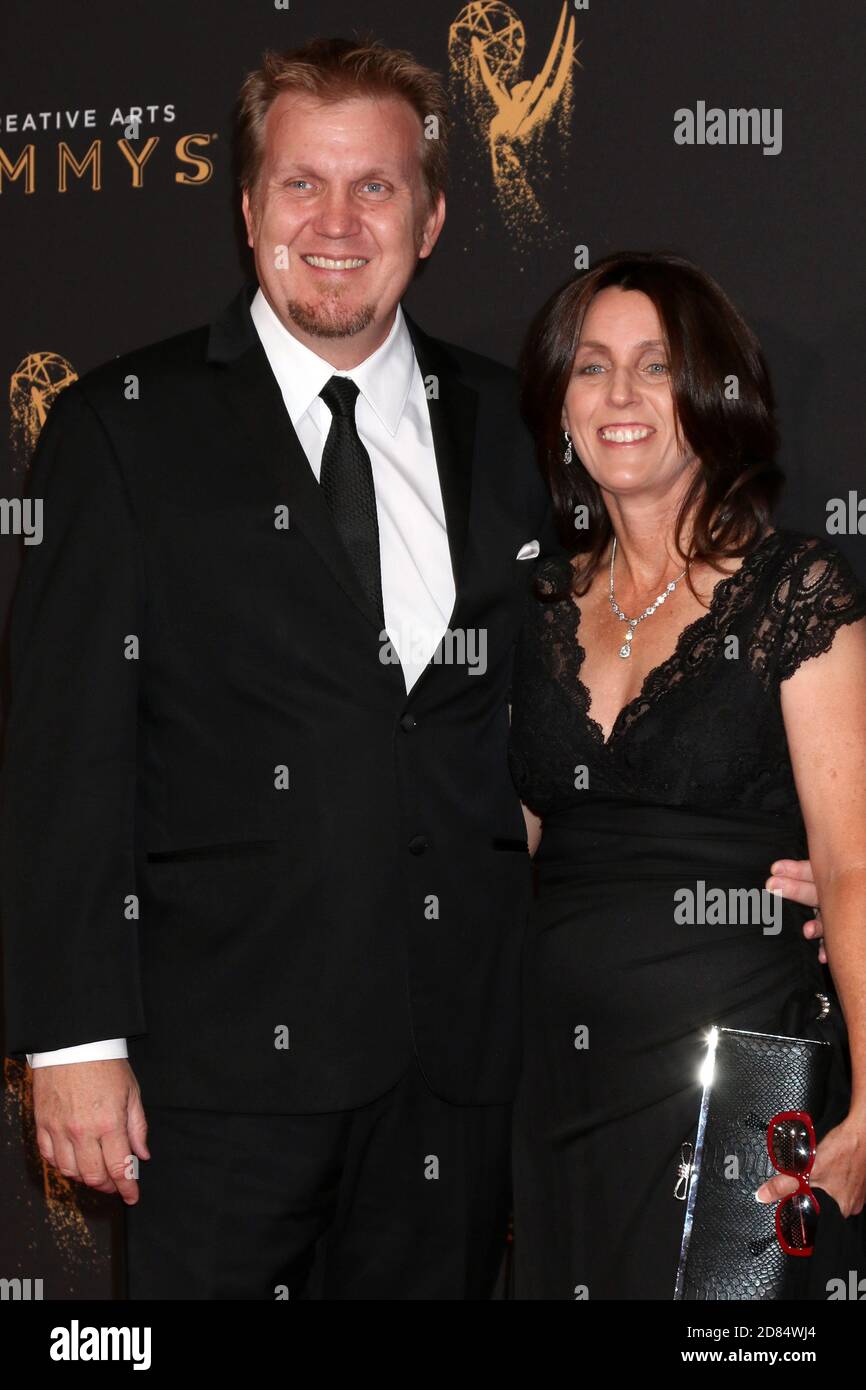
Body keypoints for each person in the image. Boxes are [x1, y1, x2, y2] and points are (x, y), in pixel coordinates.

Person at [0, 42, 820, 1299]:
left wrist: (767, 836)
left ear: (430, 216)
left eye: (374, 188)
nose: (336, 222)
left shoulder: (515, 428)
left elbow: (628, 672)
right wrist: (69, 1038)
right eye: (300, 185)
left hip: (466, 1075)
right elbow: (60, 753)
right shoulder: (121, 426)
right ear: (247, 208)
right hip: (212, 1084)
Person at [507, 250, 866, 1299]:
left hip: (742, 1078)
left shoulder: (792, 590)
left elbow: (848, 867)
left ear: (713, 395)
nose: (617, 394)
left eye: (654, 366)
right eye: (588, 366)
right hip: (560, 1081)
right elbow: (509, 853)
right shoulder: (531, 606)